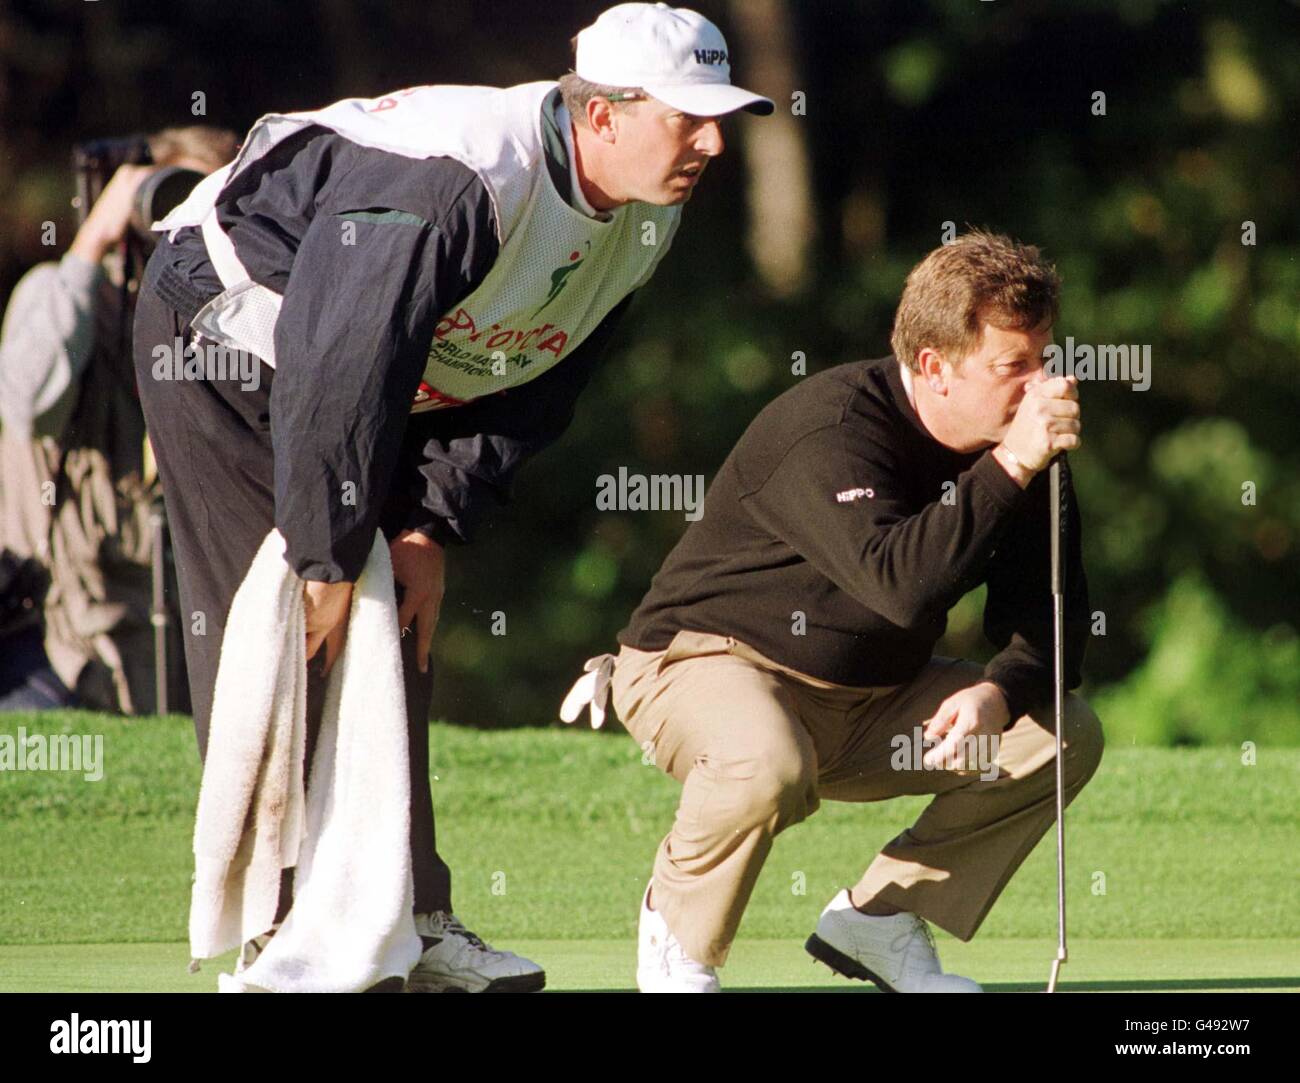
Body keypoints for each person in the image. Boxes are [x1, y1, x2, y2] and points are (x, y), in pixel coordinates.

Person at [132, 3, 773, 992]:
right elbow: (341, 358)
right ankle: (285, 937)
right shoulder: (454, 179)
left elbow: (541, 371)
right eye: (688, 117)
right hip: (219, 341)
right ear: (602, 115)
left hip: (379, 369)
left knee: (396, 630)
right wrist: (322, 555)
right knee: (291, 628)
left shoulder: (647, 211)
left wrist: (432, 520)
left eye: (718, 116)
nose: (714, 141)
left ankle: (408, 918)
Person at [598, 230, 1105, 992]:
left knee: (1059, 733)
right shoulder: (833, 429)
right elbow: (898, 583)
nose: (1042, 387)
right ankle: (678, 937)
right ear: (934, 366)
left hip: (866, 703)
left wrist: (997, 694)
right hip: (701, 664)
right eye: (1014, 367)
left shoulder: (1021, 450)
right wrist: (1012, 466)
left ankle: (880, 919)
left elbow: (1053, 623)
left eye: (1044, 359)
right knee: (767, 758)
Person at [0, 127, 237, 713]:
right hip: (52, 637)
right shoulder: (64, 294)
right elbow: (27, 404)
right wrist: (91, 243)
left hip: (167, 645)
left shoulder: (228, 326)